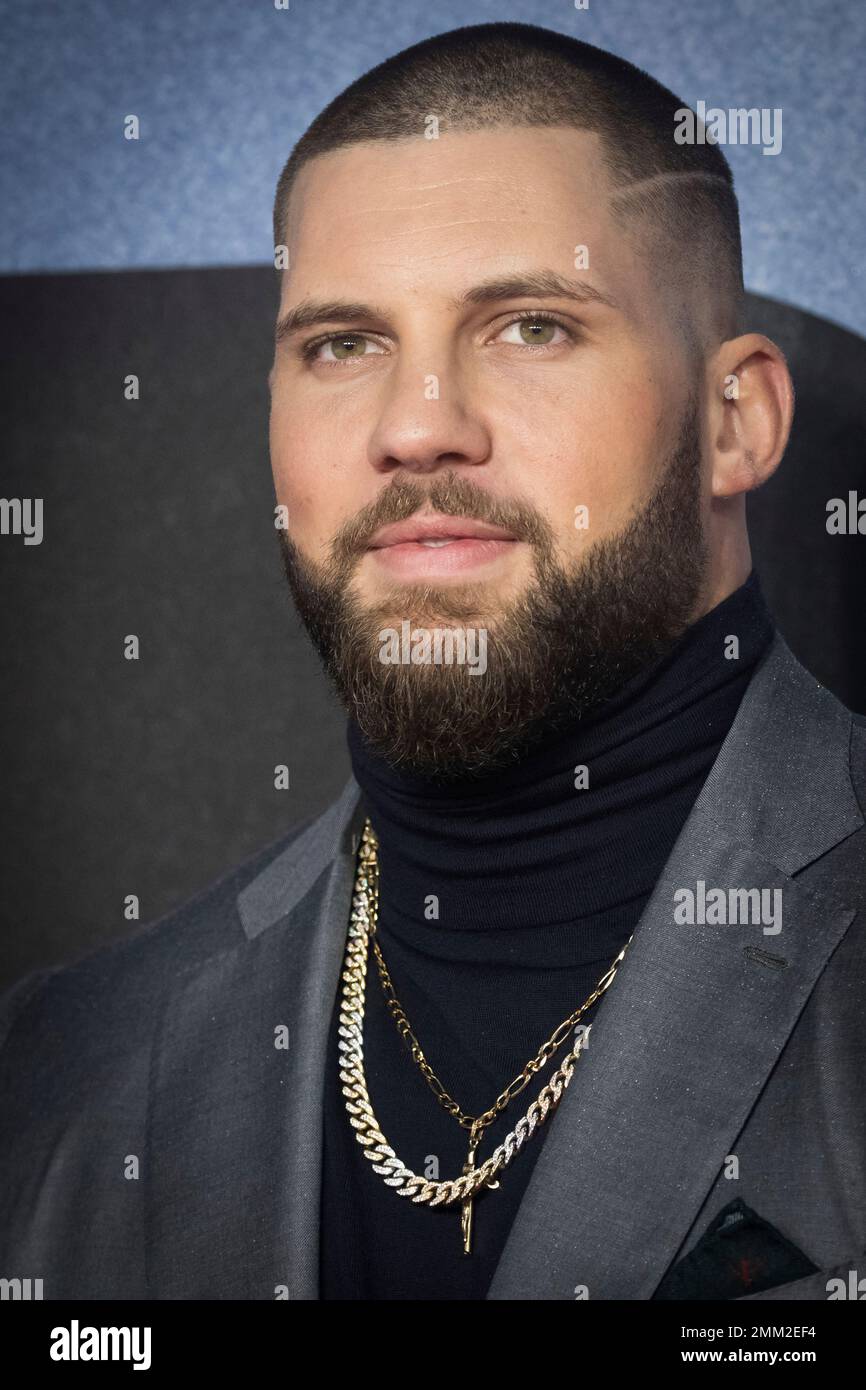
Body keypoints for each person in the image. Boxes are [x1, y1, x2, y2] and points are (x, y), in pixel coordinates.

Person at [1, 21, 864, 1302]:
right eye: (342, 344)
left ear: (733, 419)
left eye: (527, 325)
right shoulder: (61, 1068)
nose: (415, 427)